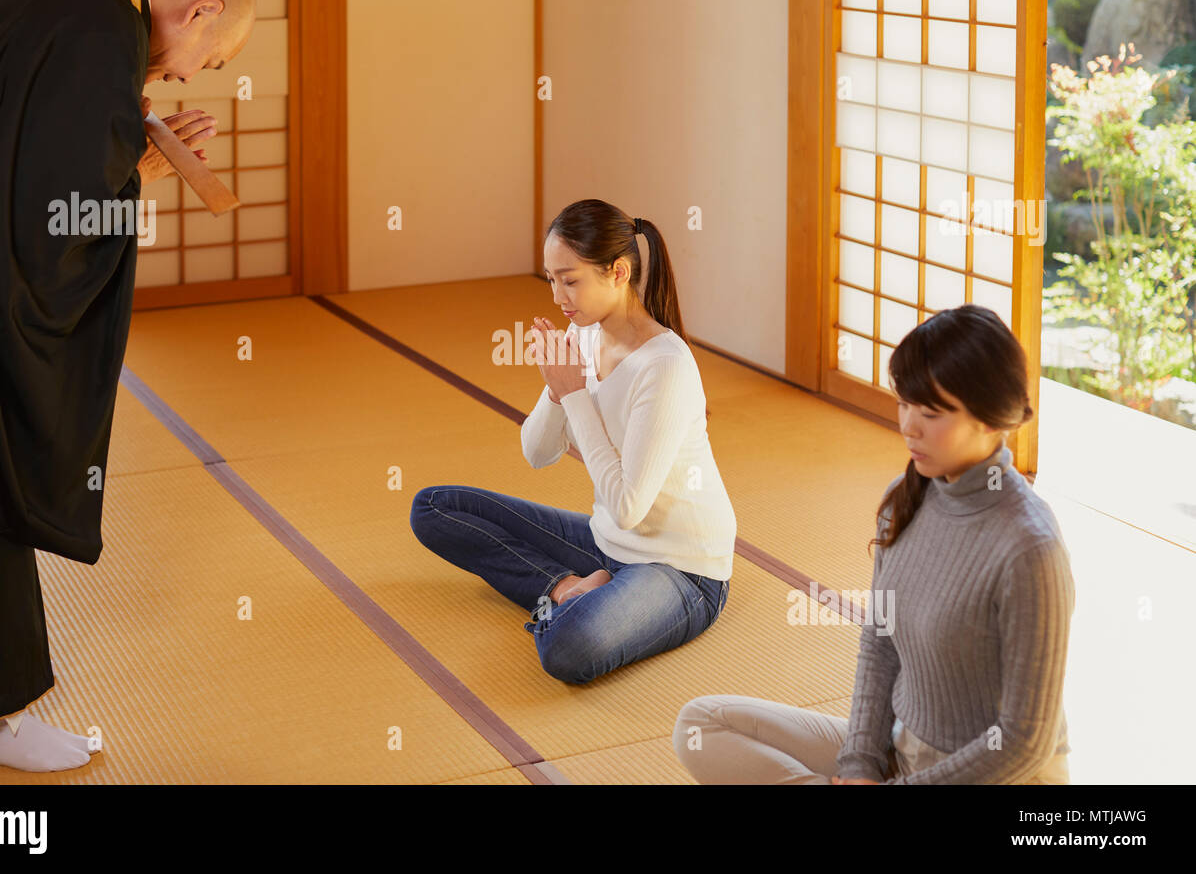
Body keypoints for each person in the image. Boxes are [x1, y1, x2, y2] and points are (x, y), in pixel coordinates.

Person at [0, 0, 254, 771]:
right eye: (216, 58)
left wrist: (122, 153)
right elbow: (43, 220)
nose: (194, 77)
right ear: (200, 12)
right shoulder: (100, 32)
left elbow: (22, 154)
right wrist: (137, 175)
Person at [672, 305, 1075, 784]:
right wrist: (860, 764)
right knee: (702, 725)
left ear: (991, 419)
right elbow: (880, 645)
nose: (909, 426)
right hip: (901, 753)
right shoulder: (905, 498)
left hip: (992, 778)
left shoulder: (1030, 549)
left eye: (930, 413)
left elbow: (1023, 742)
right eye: (904, 404)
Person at [409, 198, 736, 683]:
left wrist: (575, 393)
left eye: (571, 279)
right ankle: (566, 589)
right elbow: (537, 453)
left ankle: (574, 603)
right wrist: (556, 389)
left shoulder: (665, 366)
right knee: (433, 507)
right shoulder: (583, 334)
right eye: (551, 279)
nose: (559, 295)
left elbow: (628, 507)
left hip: (678, 567)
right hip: (607, 545)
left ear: (618, 272)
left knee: (568, 649)